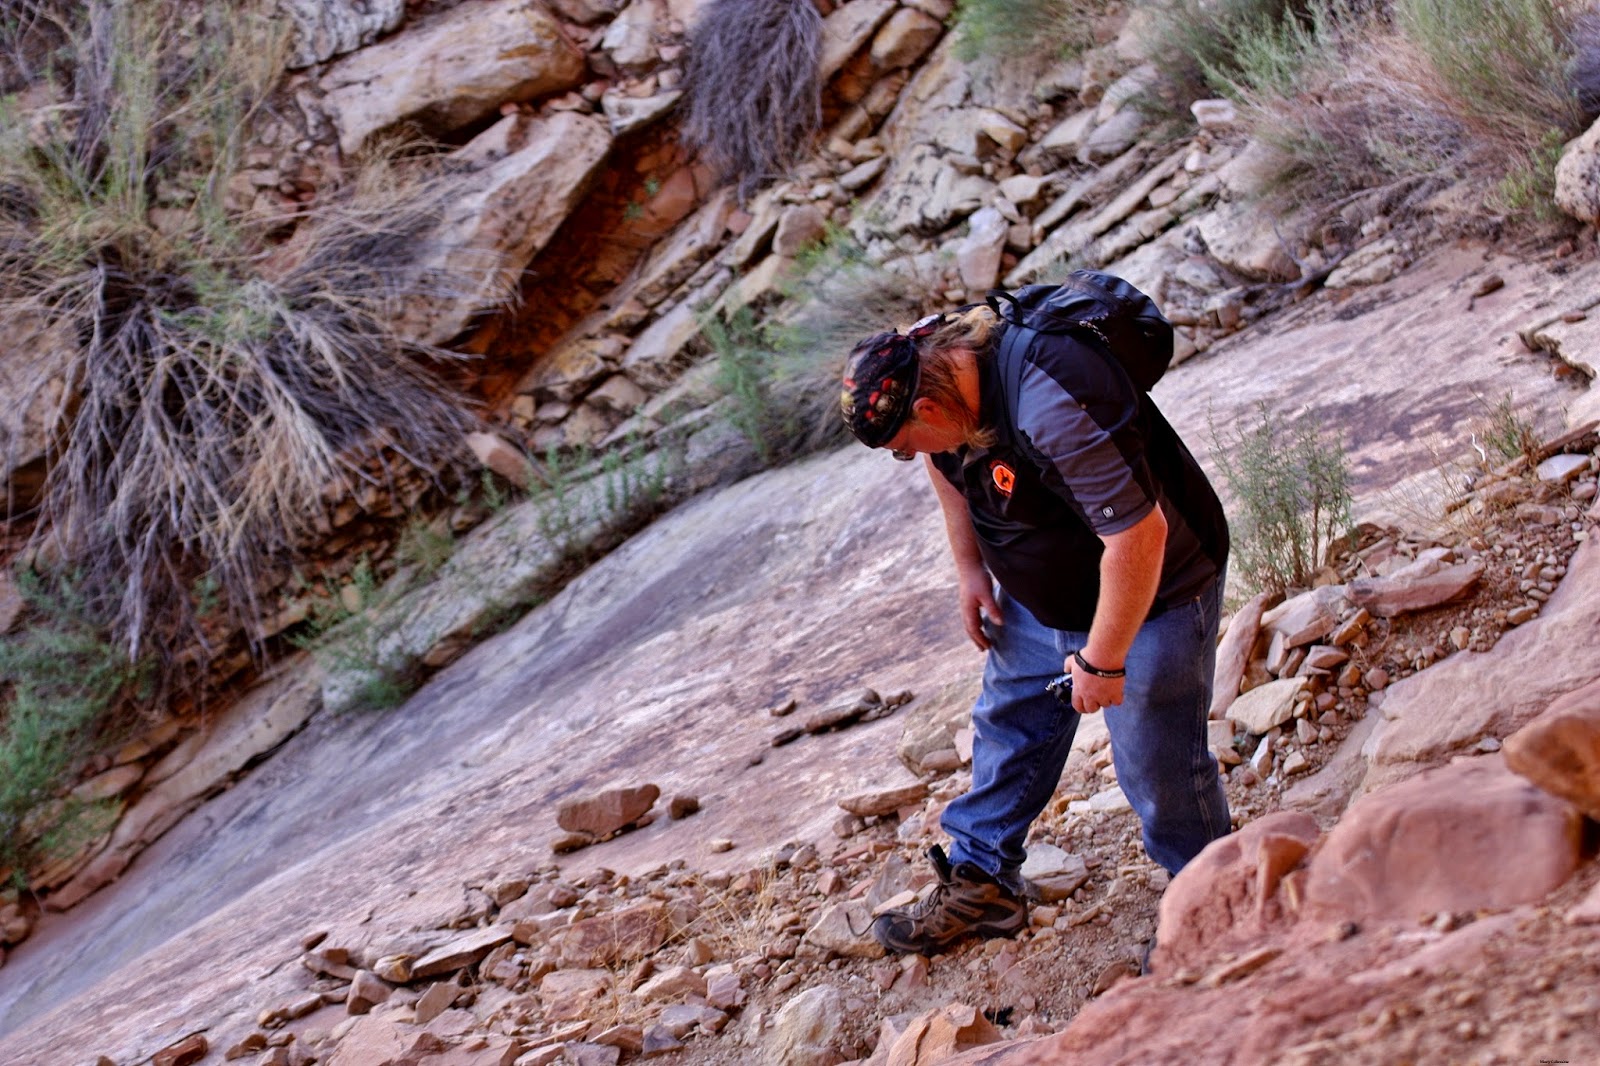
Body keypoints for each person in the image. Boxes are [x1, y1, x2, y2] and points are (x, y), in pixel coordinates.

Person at [838, 292, 1231, 956]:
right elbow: (946, 466)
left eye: (905, 446)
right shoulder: (933, 368)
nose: (913, 457)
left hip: (1154, 595)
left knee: (1159, 772)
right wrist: (970, 569)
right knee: (1008, 726)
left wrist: (1104, 660)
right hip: (1040, 603)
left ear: (928, 409)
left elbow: (1139, 538)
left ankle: (1219, 902)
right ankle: (983, 881)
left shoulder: (1049, 400)